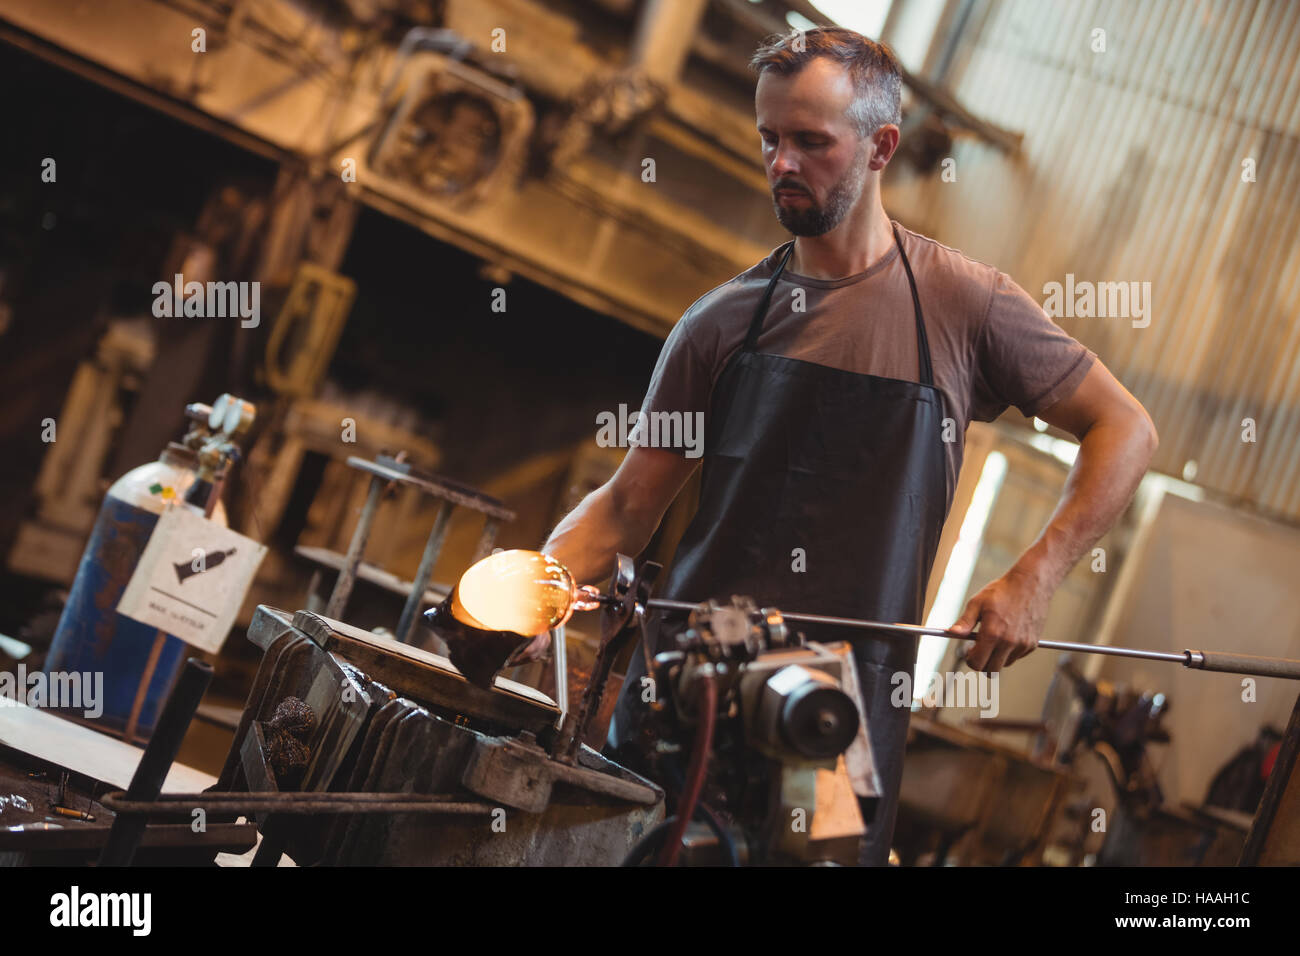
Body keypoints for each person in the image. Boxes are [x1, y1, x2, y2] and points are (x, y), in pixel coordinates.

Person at [520, 27, 1158, 865]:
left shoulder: (964, 309)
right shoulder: (719, 324)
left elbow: (1126, 428)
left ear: (881, 145)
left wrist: (1037, 574)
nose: (783, 162)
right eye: (770, 139)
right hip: (686, 705)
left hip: (833, 721)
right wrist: (534, 589)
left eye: (811, 142)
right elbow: (628, 506)